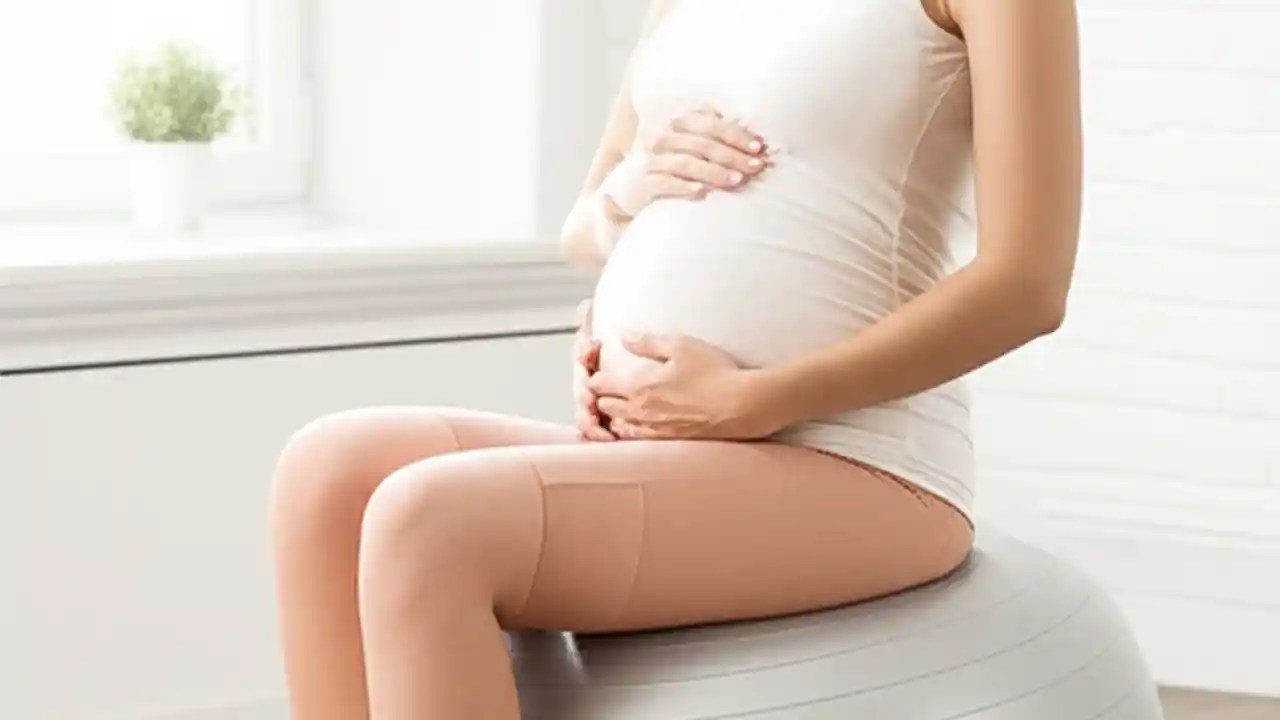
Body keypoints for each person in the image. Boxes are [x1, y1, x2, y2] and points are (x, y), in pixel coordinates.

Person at [269, 0, 1082, 717]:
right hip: (673, 443)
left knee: (431, 520)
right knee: (330, 470)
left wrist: (759, 397)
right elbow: (584, 225)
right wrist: (630, 191)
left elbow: (1028, 283)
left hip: (857, 459)